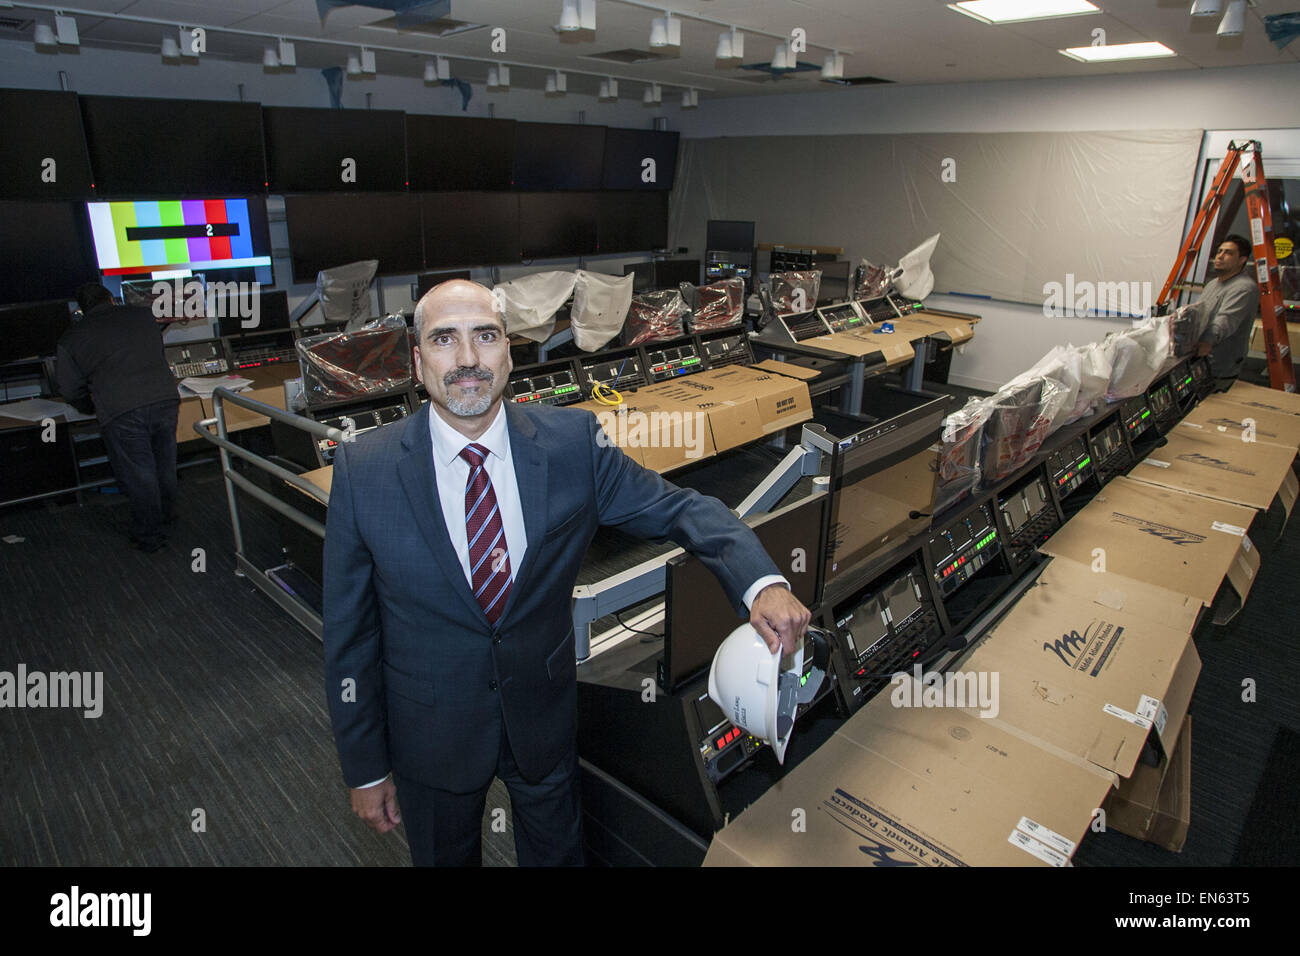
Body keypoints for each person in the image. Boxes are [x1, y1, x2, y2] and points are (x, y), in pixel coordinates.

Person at [323, 279, 811, 867]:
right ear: (416, 355)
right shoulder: (364, 470)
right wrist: (366, 767)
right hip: (432, 736)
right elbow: (349, 638)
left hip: (542, 717)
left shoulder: (571, 444)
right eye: (444, 339)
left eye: (486, 336)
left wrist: (764, 583)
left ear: (510, 349)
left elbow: (680, 507)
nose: (469, 359)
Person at [57, 283, 180, 553]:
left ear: (81, 309)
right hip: (165, 398)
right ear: (111, 299)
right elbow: (153, 354)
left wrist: (89, 406)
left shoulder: (72, 337)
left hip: (122, 409)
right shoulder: (143, 315)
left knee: (140, 472)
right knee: (164, 462)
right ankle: (168, 516)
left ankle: (150, 535)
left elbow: (68, 387)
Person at [1194, 234, 1260, 389]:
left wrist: (1206, 341)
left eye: (1228, 253)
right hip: (1199, 364)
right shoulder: (1212, 284)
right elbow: (1199, 314)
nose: (1220, 256)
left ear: (1242, 259)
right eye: (1219, 252)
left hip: (1218, 368)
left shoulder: (1244, 288)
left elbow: (1225, 321)